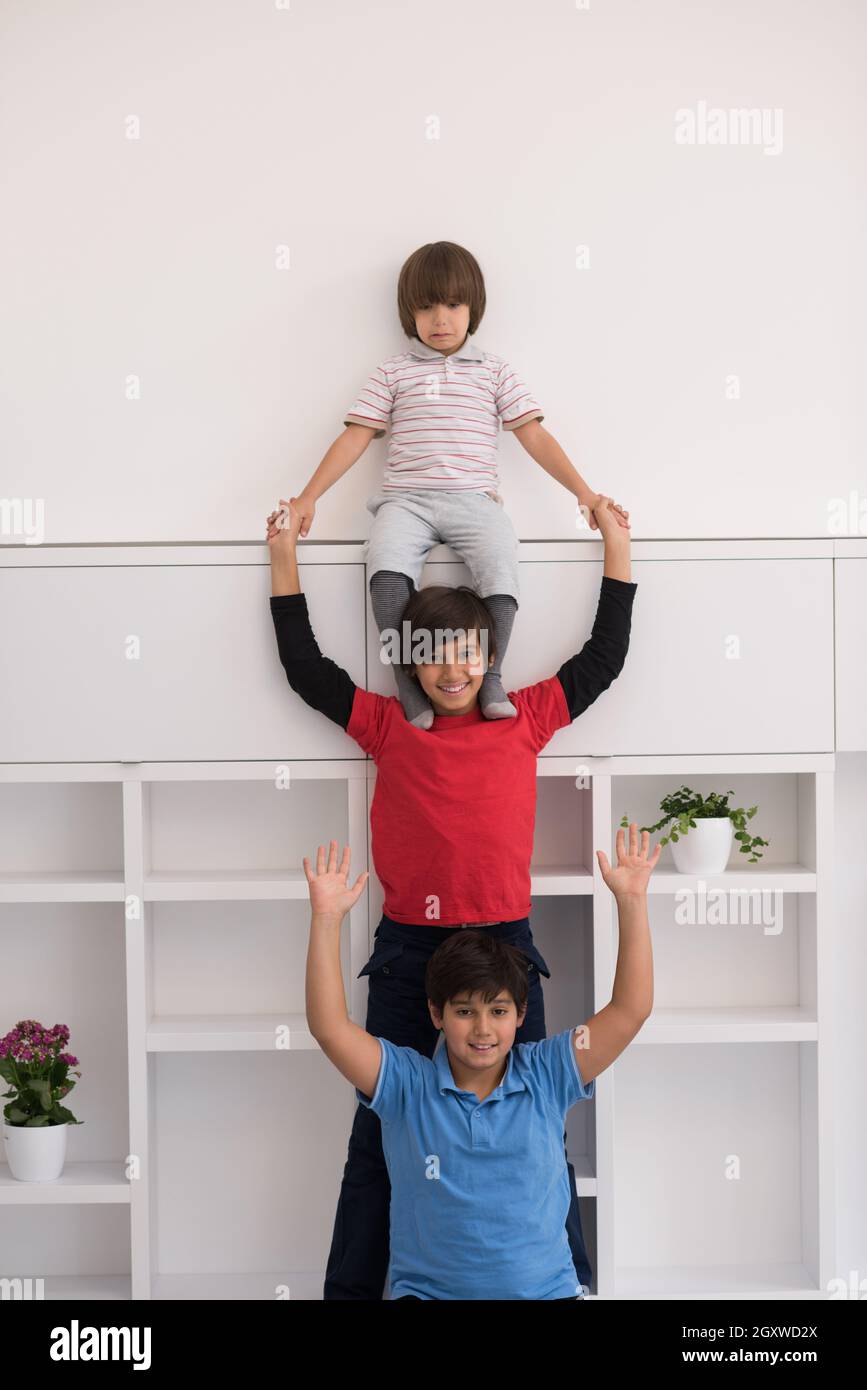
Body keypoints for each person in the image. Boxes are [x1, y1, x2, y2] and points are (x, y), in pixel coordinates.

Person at [266, 491, 637, 1298]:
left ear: (489, 652)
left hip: (504, 948)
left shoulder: (526, 717)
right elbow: (306, 672)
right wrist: (284, 558)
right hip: (408, 952)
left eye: (467, 651)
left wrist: (615, 545)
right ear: (408, 656)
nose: (451, 667)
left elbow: (602, 658)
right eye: (432, 653)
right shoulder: (389, 725)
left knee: (539, 1132)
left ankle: (566, 1285)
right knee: (377, 1139)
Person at [302, 821, 658, 1300]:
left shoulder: (548, 1072)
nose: (483, 1029)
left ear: (520, 1014)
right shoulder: (407, 1085)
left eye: (498, 1011)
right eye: (465, 1011)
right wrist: (326, 918)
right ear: (437, 1014)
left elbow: (630, 1010)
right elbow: (329, 1027)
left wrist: (632, 901)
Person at [284, 239, 630, 728]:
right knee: (383, 566)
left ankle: (489, 674)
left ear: (474, 308)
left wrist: (585, 492)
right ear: (409, 313)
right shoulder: (392, 373)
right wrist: (307, 497)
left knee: (501, 565)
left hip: (474, 501)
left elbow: (534, 435)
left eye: (452, 305)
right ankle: (408, 681)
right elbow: (355, 437)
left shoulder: (494, 372)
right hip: (406, 502)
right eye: (426, 308)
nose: (440, 319)